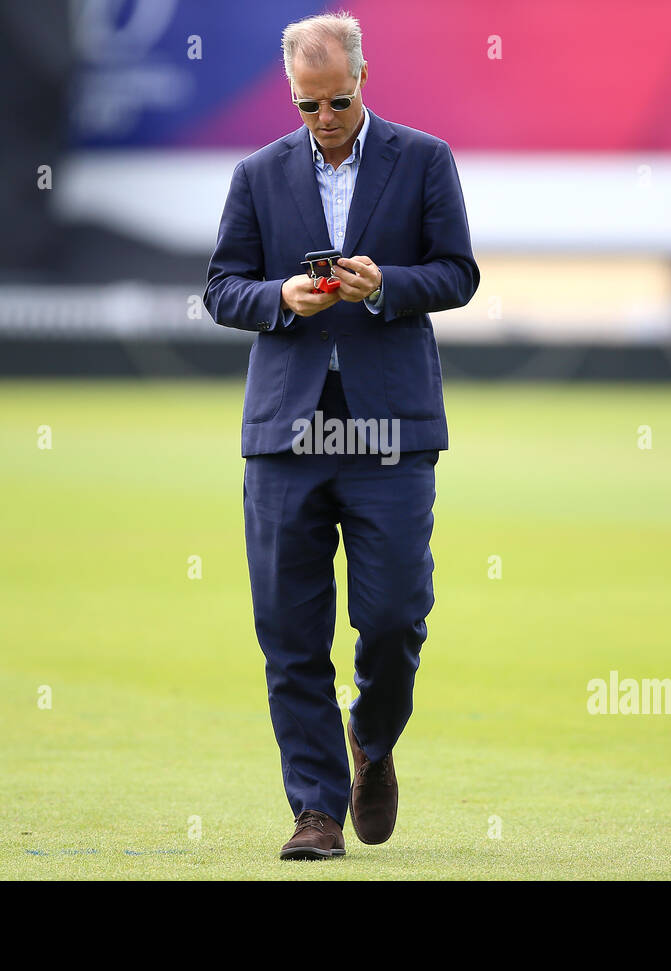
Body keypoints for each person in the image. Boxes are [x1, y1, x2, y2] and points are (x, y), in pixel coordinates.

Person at [203, 11, 479, 860]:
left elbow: (458, 273)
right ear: (291, 97)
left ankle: (373, 737)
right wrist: (280, 299)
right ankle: (316, 811)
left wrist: (382, 284)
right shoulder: (257, 175)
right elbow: (221, 287)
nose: (324, 120)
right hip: (284, 430)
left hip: (390, 429)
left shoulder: (424, 159)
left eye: (338, 102)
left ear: (366, 80)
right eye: (307, 106)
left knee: (395, 617)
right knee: (289, 633)